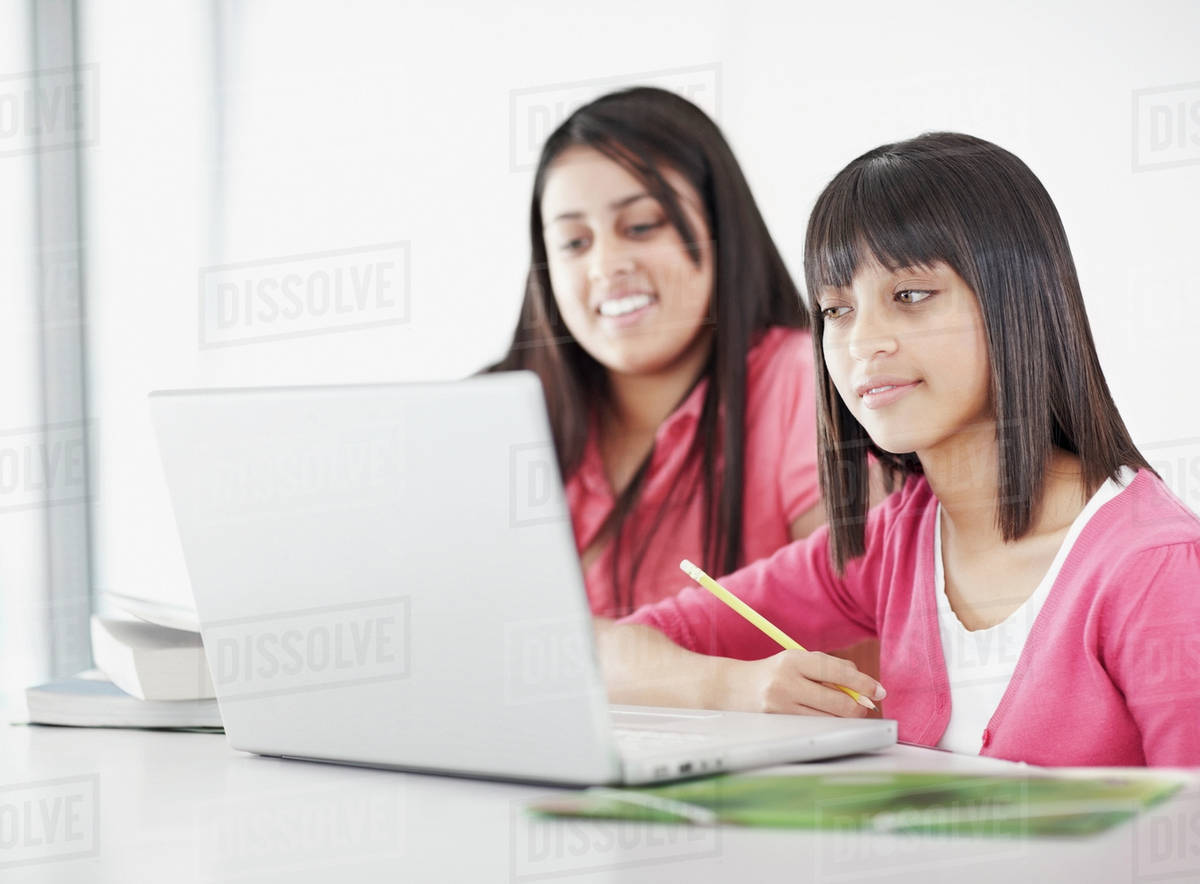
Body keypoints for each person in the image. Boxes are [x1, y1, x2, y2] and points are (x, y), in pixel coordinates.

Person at [595, 132, 1200, 766]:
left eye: (909, 296)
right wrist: (735, 686)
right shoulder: (895, 542)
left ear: (1015, 300)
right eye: (837, 308)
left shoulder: (1155, 566)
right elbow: (614, 653)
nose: (862, 343)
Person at [488, 88, 871, 638]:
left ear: (721, 227)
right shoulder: (500, 417)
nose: (607, 265)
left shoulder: (806, 382)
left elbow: (857, 657)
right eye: (573, 242)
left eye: (641, 226)